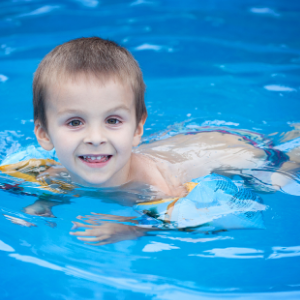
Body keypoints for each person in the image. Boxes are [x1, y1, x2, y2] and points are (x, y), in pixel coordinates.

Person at [1, 37, 299, 245]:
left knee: (276, 179)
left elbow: (192, 219)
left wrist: (135, 228)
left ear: (137, 129)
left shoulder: (149, 186)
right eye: (75, 122)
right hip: (184, 143)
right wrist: (44, 202)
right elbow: (61, 184)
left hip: (236, 154)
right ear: (43, 133)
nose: (95, 138)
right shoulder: (55, 171)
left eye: (113, 121)